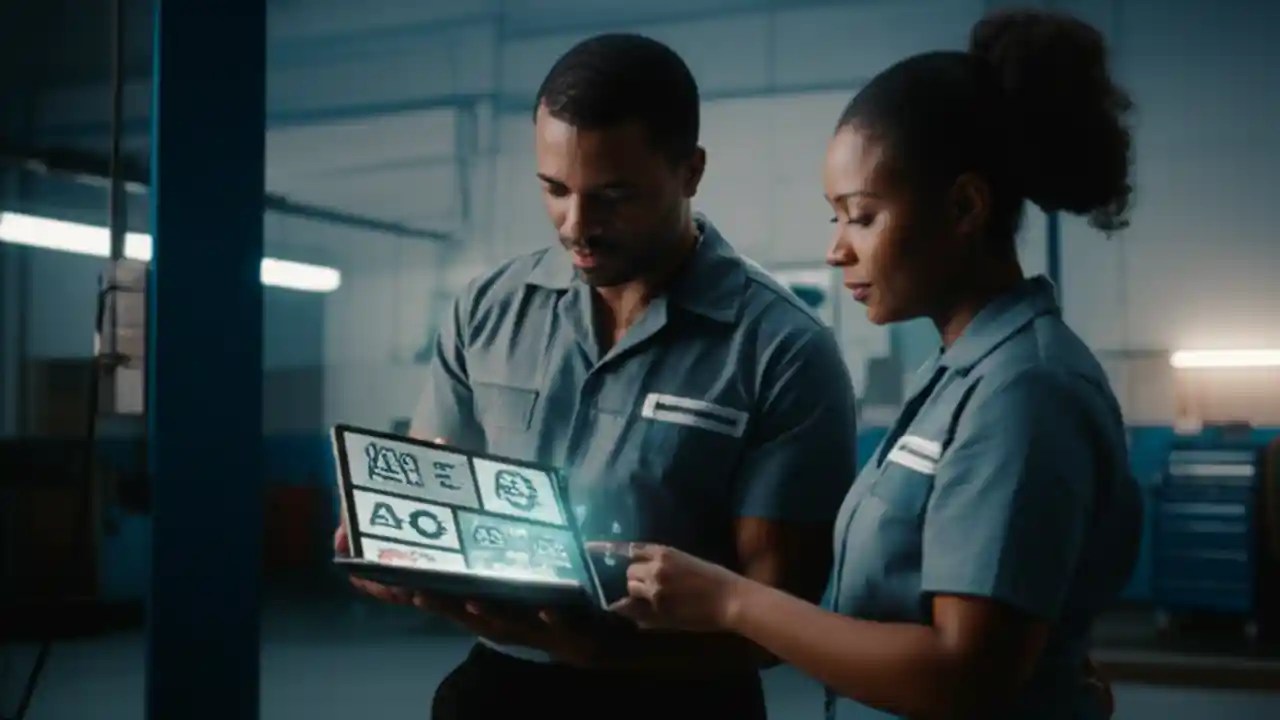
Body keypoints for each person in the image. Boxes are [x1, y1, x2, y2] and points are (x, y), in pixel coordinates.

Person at [591, 9, 1143, 720]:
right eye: (835, 218)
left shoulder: (1025, 391)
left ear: (965, 206)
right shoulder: (962, 375)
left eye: (863, 215)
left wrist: (729, 599)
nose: (837, 249)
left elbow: (960, 673)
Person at [334, 32, 860, 720]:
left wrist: (602, 653)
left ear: (690, 172)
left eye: (614, 196)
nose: (576, 225)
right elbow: (436, 484)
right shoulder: (486, 311)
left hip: (679, 703)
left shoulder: (782, 349)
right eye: (555, 190)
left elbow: (771, 620)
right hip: (498, 690)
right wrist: (392, 539)